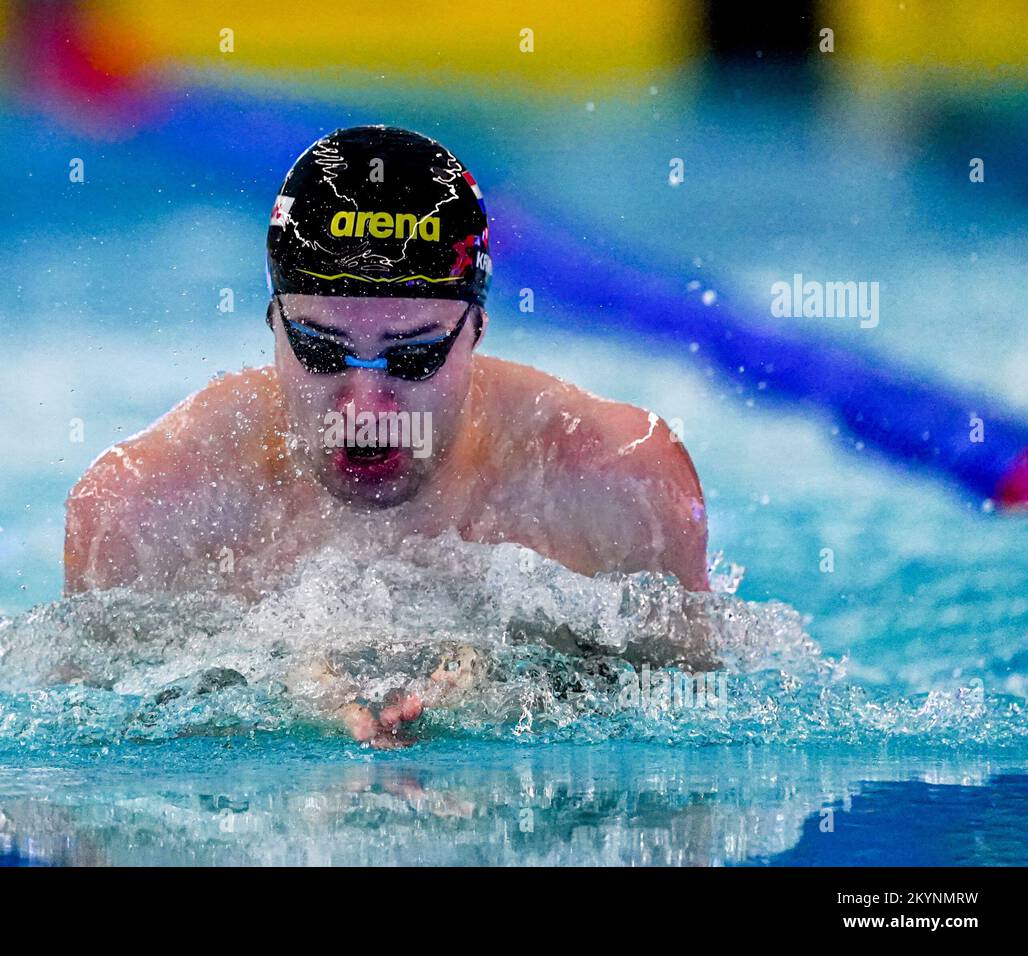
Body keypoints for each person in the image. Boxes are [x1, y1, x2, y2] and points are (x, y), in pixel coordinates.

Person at [65, 125, 708, 745]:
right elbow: (79, 778)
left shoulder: (615, 482)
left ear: (477, 331)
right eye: (322, 351)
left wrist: (521, 685)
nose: (366, 405)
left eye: (413, 357)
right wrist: (265, 693)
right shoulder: (146, 509)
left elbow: (698, 740)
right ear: (272, 325)